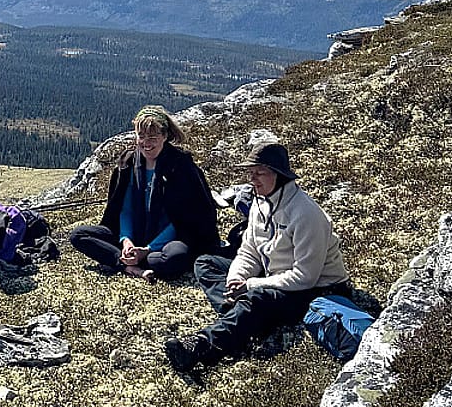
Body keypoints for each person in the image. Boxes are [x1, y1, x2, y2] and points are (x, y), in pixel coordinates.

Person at [165, 142, 351, 372]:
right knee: (206, 263)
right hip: (275, 275)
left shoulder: (307, 214)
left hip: (317, 290)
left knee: (258, 297)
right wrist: (237, 278)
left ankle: (201, 347)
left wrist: (251, 285)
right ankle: (242, 317)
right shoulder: (260, 202)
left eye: (259, 173)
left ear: (279, 175)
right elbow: (249, 250)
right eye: (250, 173)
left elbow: (306, 276)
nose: (253, 179)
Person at [70, 106, 219, 281]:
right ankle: (129, 265)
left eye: (153, 138)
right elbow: (125, 210)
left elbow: (183, 219)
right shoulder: (129, 162)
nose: (146, 143)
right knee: (78, 235)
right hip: (136, 233)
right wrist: (127, 241)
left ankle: (134, 260)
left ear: (165, 136)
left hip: (172, 235)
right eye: (141, 136)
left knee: (172, 259)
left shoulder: (180, 166)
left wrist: (148, 249)